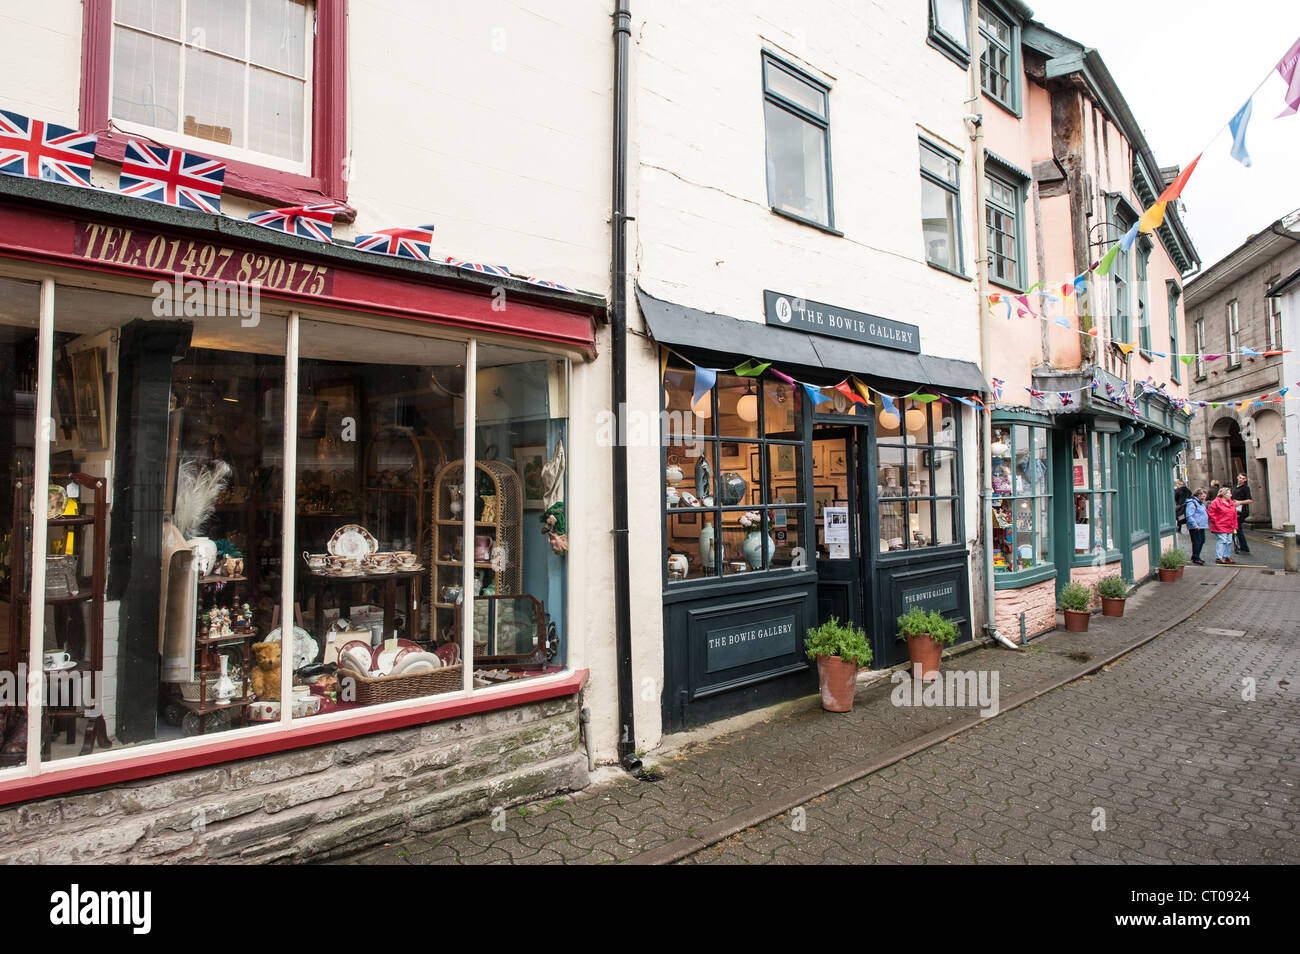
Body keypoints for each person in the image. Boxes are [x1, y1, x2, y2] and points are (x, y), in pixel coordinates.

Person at [1207, 487, 1239, 565]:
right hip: (1220, 525)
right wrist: (1216, 522)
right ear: (1224, 494)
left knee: (1229, 542)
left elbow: (1234, 515)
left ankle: (1226, 556)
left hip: (1229, 525)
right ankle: (1219, 557)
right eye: (1229, 493)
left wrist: (1235, 526)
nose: (1231, 495)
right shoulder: (1216, 502)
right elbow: (1211, 513)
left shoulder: (1231, 503)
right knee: (1222, 540)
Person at [1185, 489, 1209, 565]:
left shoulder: (1200, 503)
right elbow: (1189, 515)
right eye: (1202, 495)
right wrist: (1194, 524)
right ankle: (1196, 557)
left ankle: (1196, 556)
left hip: (1201, 526)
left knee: (1201, 541)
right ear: (1198, 495)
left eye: (1205, 495)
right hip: (1195, 526)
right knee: (1197, 542)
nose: (1204, 497)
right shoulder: (1192, 503)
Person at [1231, 472, 1253, 554]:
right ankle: (1238, 546)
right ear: (1237, 477)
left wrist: (1240, 502)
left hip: (1241, 510)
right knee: (1234, 528)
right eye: (1240, 478)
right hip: (1233, 509)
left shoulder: (1245, 488)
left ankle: (1243, 547)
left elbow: (1250, 500)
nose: (1241, 480)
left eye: (1243, 479)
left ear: (1245, 480)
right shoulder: (1234, 487)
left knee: (1237, 528)